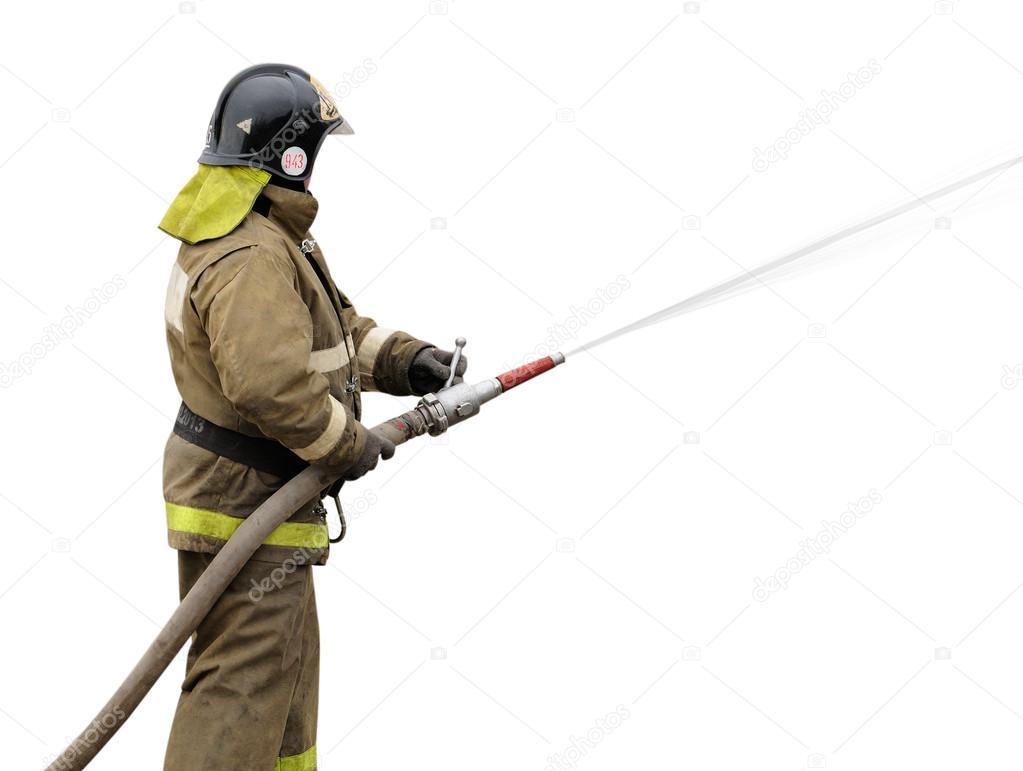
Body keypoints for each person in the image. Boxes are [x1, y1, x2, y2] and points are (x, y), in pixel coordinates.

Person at [157, 63, 466, 771]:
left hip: (253, 496)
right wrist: (346, 443)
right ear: (288, 155)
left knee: (282, 677)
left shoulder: (262, 229)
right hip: (244, 502)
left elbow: (328, 330)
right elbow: (271, 384)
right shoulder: (248, 253)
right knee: (243, 682)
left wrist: (404, 360)